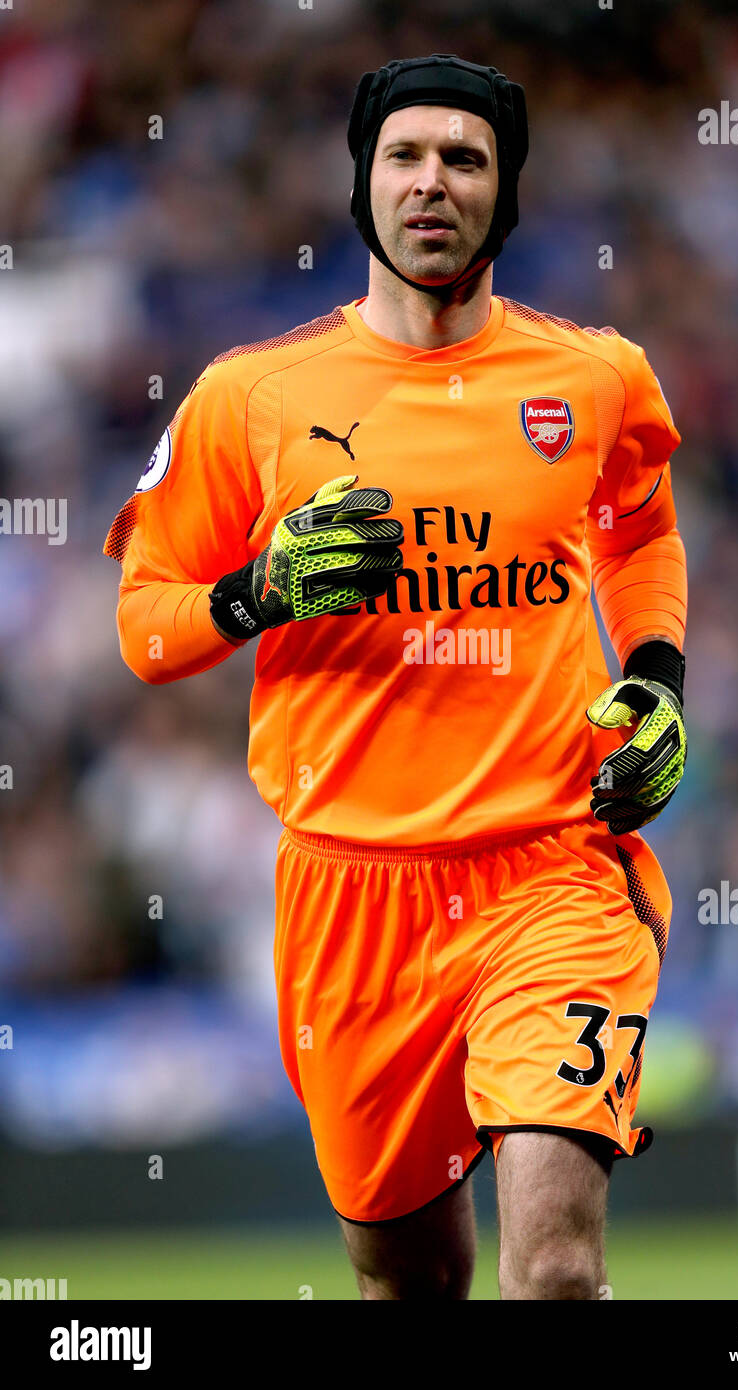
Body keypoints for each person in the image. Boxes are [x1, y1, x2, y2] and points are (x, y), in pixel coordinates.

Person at [104, 53, 688, 1300]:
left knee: (557, 1273)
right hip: (350, 897)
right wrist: (259, 592)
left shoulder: (591, 379)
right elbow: (144, 629)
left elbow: (637, 527)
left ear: (506, 193)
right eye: (403, 158)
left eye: (465, 159)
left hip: (551, 870)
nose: (433, 184)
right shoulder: (248, 396)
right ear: (360, 186)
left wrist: (655, 673)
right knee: (407, 1278)